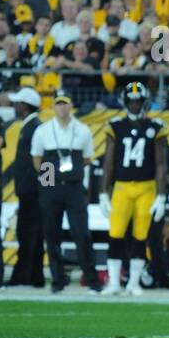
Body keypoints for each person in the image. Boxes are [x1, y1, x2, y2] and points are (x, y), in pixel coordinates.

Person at [100, 82, 169, 295]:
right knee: (116, 233)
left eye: (138, 101)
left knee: (141, 235)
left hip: (146, 187)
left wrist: (162, 195)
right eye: (132, 101)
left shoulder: (155, 127)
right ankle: (113, 282)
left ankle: (133, 282)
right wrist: (104, 192)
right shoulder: (116, 125)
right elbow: (109, 162)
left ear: (145, 103)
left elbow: (160, 164)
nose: (135, 105)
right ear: (125, 102)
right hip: (121, 186)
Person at [29, 94, 99, 292]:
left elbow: (86, 158)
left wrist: (71, 173)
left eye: (65, 104)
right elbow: (37, 159)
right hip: (51, 184)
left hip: (74, 186)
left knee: (82, 234)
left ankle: (92, 281)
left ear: (71, 106)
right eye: (58, 104)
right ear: (53, 107)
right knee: (52, 234)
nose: (61, 108)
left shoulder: (83, 130)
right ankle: (58, 281)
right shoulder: (43, 130)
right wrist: (48, 182)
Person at [6, 87, 45, 288]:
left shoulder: (35, 128)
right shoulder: (30, 127)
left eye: (17, 102)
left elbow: (46, 160)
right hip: (31, 192)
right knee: (33, 236)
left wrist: (47, 188)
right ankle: (35, 276)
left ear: (25, 106)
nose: (14, 106)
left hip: (33, 193)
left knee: (27, 234)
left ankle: (23, 276)